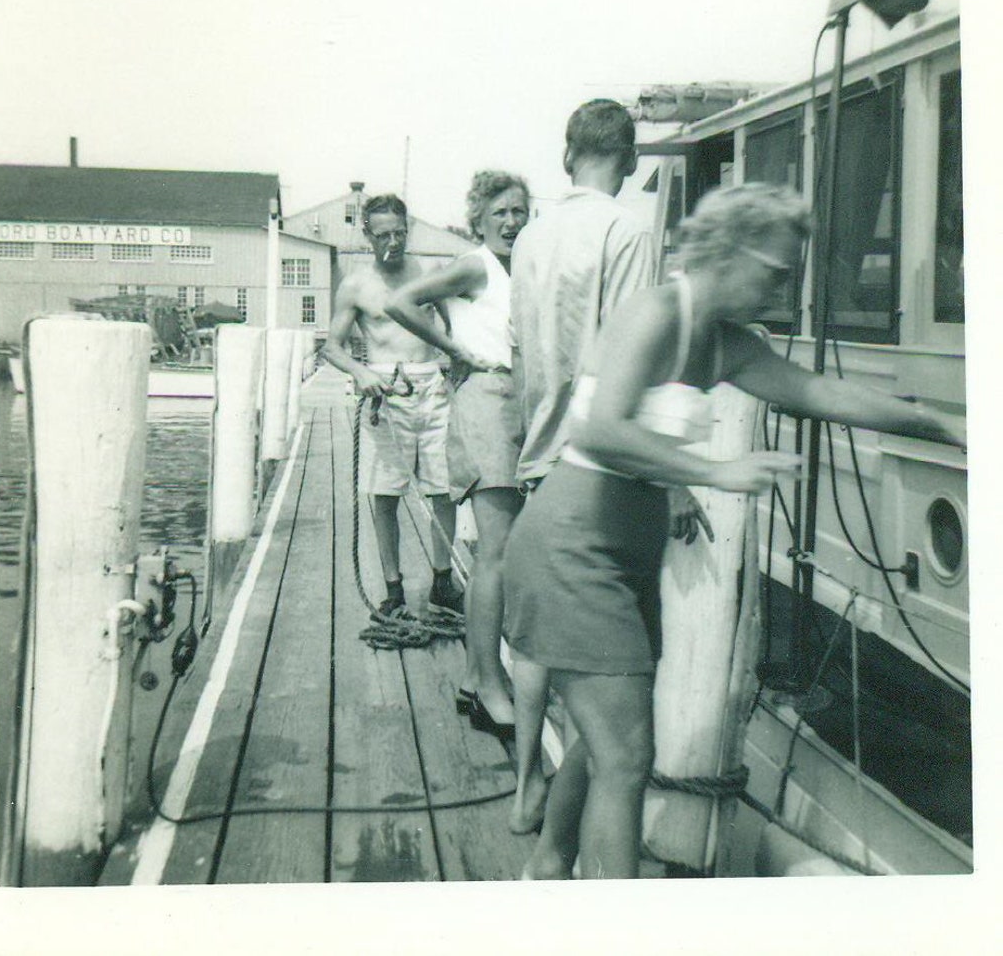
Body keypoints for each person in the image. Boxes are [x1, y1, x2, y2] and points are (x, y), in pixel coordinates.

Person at [502, 182, 966, 879]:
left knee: (608, 741)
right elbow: (599, 432)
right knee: (627, 758)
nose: (784, 289)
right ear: (727, 251)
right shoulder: (656, 311)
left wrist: (940, 425)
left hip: (626, 560)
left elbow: (821, 393)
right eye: (776, 272)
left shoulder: (728, 344)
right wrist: (715, 471)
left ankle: (549, 861)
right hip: (570, 552)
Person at [506, 98, 708, 835]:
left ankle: (528, 786)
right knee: (616, 675)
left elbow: (521, 349)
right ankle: (582, 828)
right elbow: (632, 357)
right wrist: (673, 476)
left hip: (540, 453)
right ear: (629, 158)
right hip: (600, 471)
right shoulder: (627, 230)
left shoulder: (531, 234)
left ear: (568, 156)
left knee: (543, 648)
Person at [385, 171, 530, 738]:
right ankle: (492, 686)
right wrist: (455, 350)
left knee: (505, 552)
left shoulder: (522, 268)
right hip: (486, 402)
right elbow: (401, 301)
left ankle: (474, 678)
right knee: (497, 552)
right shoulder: (476, 265)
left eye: (519, 211)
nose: (512, 222)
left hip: (519, 403)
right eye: (500, 213)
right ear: (479, 220)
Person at [321, 193, 464, 617]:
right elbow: (332, 347)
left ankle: (442, 582)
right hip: (384, 392)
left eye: (400, 232)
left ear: (408, 228)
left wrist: (458, 366)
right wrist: (360, 372)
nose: (393, 242)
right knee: (385, 495)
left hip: (433, 389)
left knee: (444, 489)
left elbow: (455, 328)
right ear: (367, 234)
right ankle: (393, 588)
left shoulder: (430, 273)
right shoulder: (356, 285)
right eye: (383, 235)